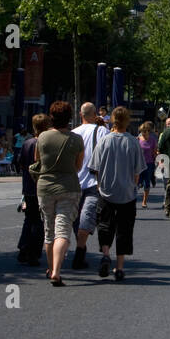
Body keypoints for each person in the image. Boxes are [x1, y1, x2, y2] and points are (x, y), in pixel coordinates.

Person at [31, 101, 84, 286]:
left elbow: (38, 161)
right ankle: (56, 271)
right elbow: (78, 166)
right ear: (69, 118)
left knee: (48, 229)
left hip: (45, 187)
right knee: (63, 230)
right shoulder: (76, 139)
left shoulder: (43, 137)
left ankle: (50, 267)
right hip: (69, 187)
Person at [91, 106, 146, 280]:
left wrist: (100, 185)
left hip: (106, 191)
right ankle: (120, 267)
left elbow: (95, 167)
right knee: (124, 228)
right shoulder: (133, 142)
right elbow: (138, 171)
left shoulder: (104, 141)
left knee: (105, 224)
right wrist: (133, 185)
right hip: (127, 192)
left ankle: (106, 254)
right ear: (127, 120)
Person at [71, 103, 108, 270]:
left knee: (75, 218)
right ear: (95, 114)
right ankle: (80, 249)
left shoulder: (73, 133)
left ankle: (80, 248)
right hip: (94, 181)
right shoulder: (101, 131)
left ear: (81, 114)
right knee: (87, 217)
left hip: (73, 182)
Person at [17, 114, 51, 266]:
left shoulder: (27, 143)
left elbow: (21, 163)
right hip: (42, 186)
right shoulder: (46, 143)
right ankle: (34, 252)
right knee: (39, 221)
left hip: (28, 187)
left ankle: (23, 248)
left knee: (29, 218)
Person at [137, 121, 158, 209]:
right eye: (142, 131)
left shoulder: (152, 140)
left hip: (149, 164)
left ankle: (144, 202)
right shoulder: (137, 139)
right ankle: (133, 199)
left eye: (145, 131)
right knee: (137, 183)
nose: (143, 133)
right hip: (138, 164)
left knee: (147, 183)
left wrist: (156, 161)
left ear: (148, 131)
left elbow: (154, 152)